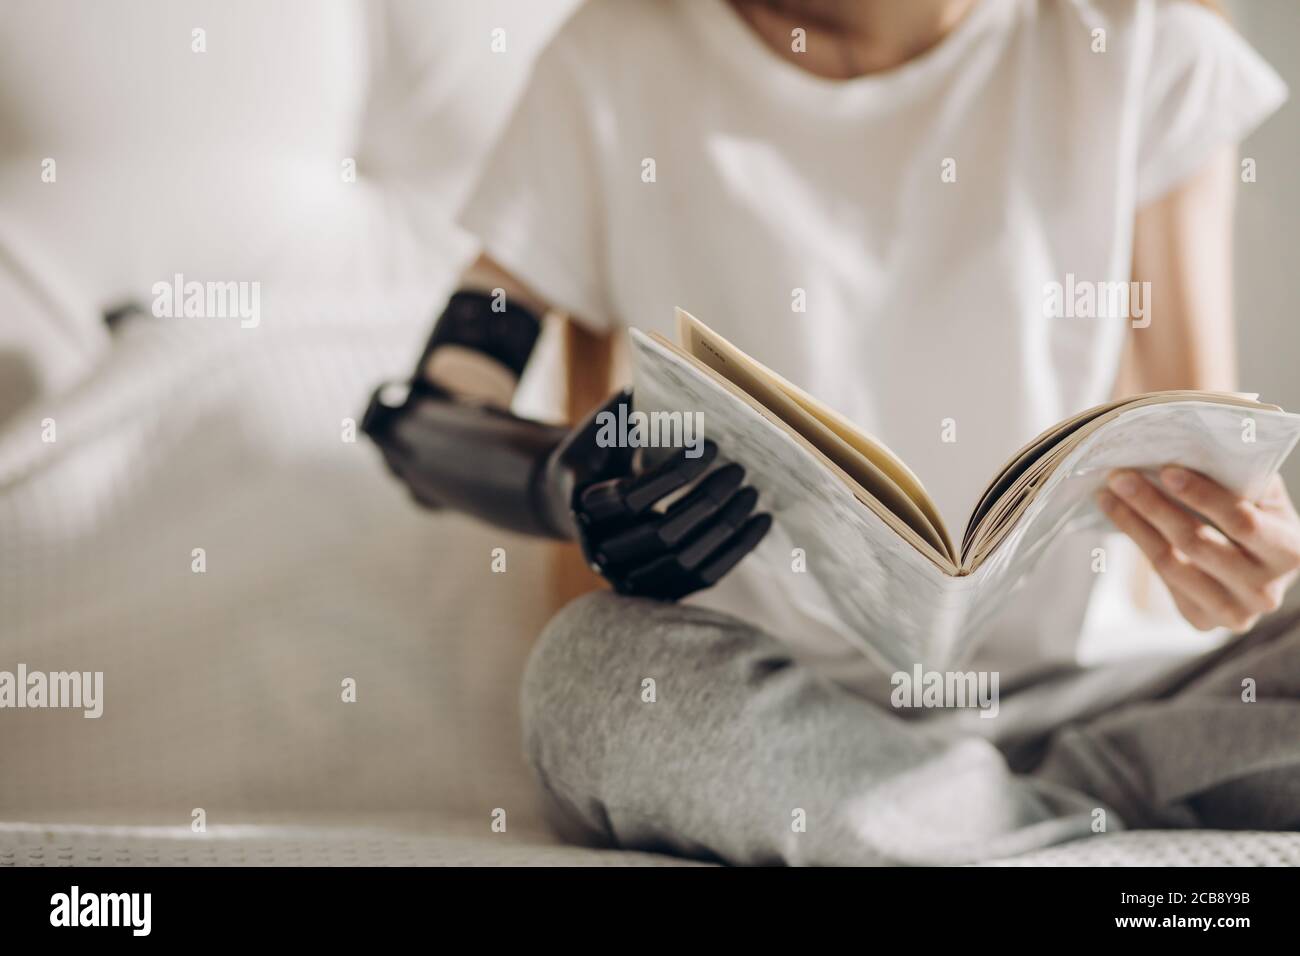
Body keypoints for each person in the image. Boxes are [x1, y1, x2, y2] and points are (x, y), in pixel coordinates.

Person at [363, 0, 1300, 864]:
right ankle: (1069, 833)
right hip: (777, 710)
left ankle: (973, 826)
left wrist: (1238, 558)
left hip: (1090, 701)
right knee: (592, 680)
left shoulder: (1137, 43)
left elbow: (1201, 447)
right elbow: (432, 409)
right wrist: (558, 482)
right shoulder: (616, 54)